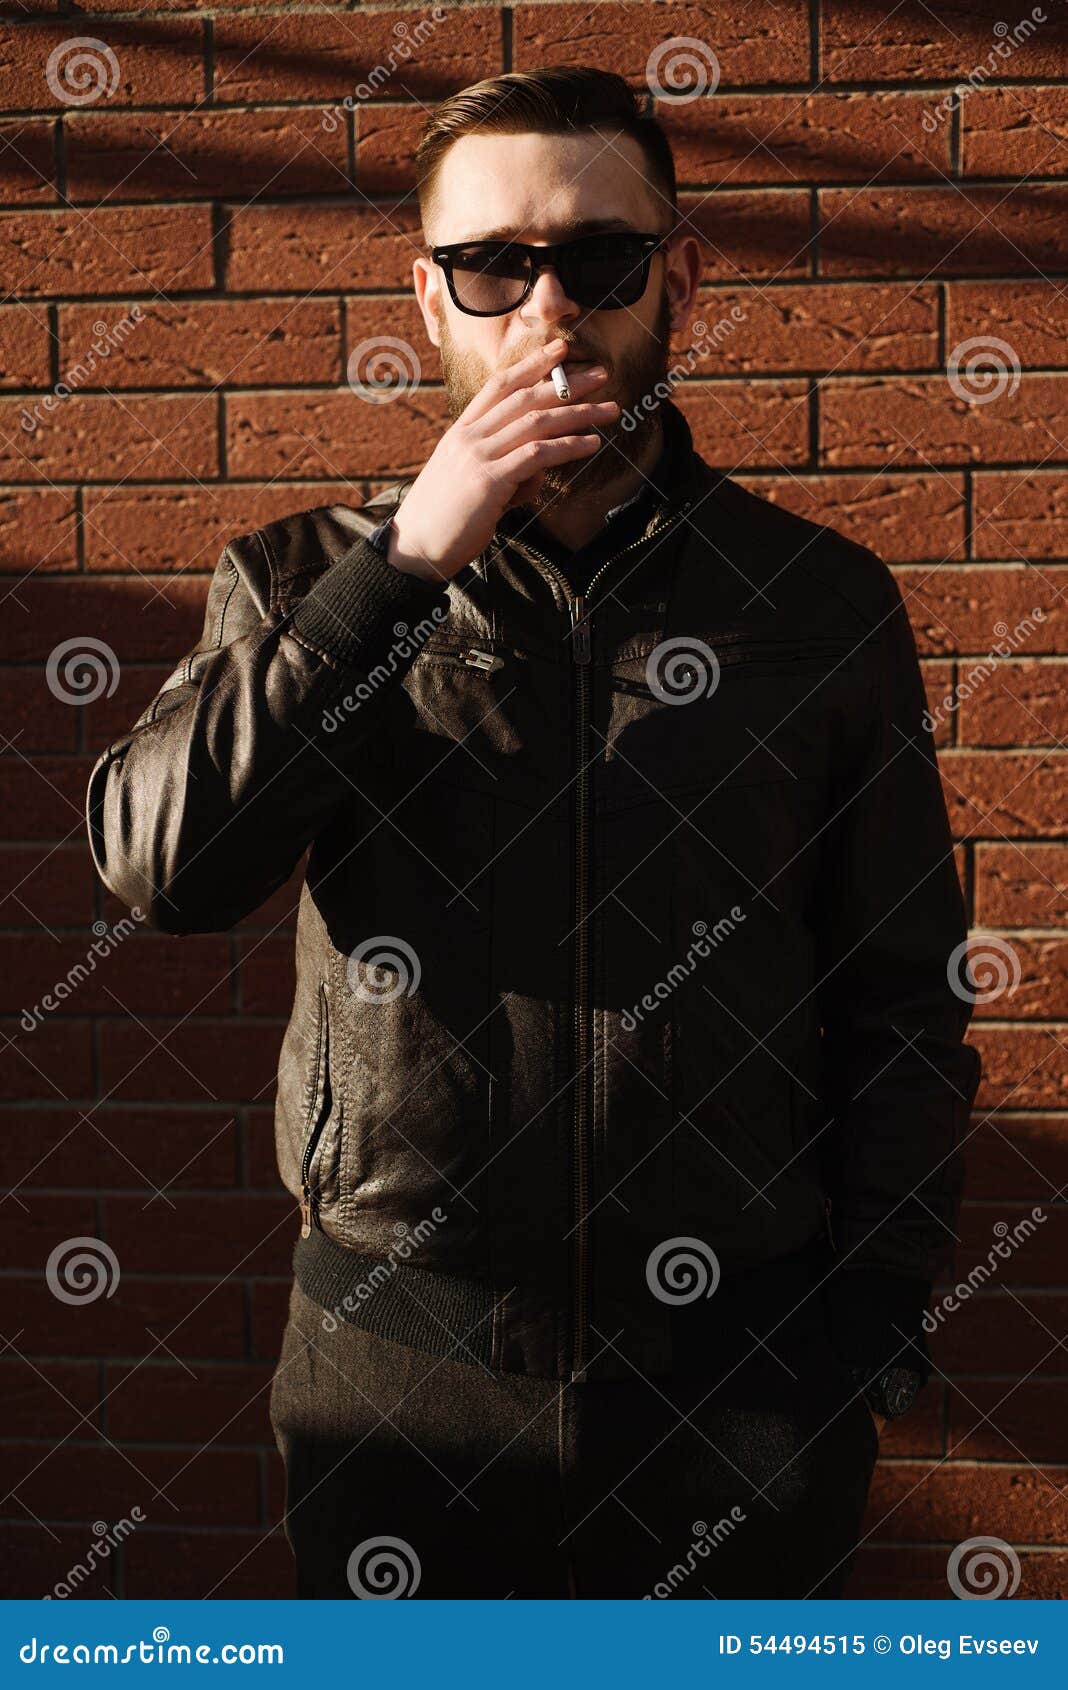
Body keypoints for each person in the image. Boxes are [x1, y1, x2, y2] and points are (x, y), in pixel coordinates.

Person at [86, 66, 982, 1599]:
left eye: (599, 259)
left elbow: (902, 987)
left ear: (679, 282)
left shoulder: (815, 604)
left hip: (739, 1383)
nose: (547, 311)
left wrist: (870, 1323)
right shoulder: (305, 579)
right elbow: (163, 869)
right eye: (494, 265)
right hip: (400, 1376)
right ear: (428, 298)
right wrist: (409, 560)